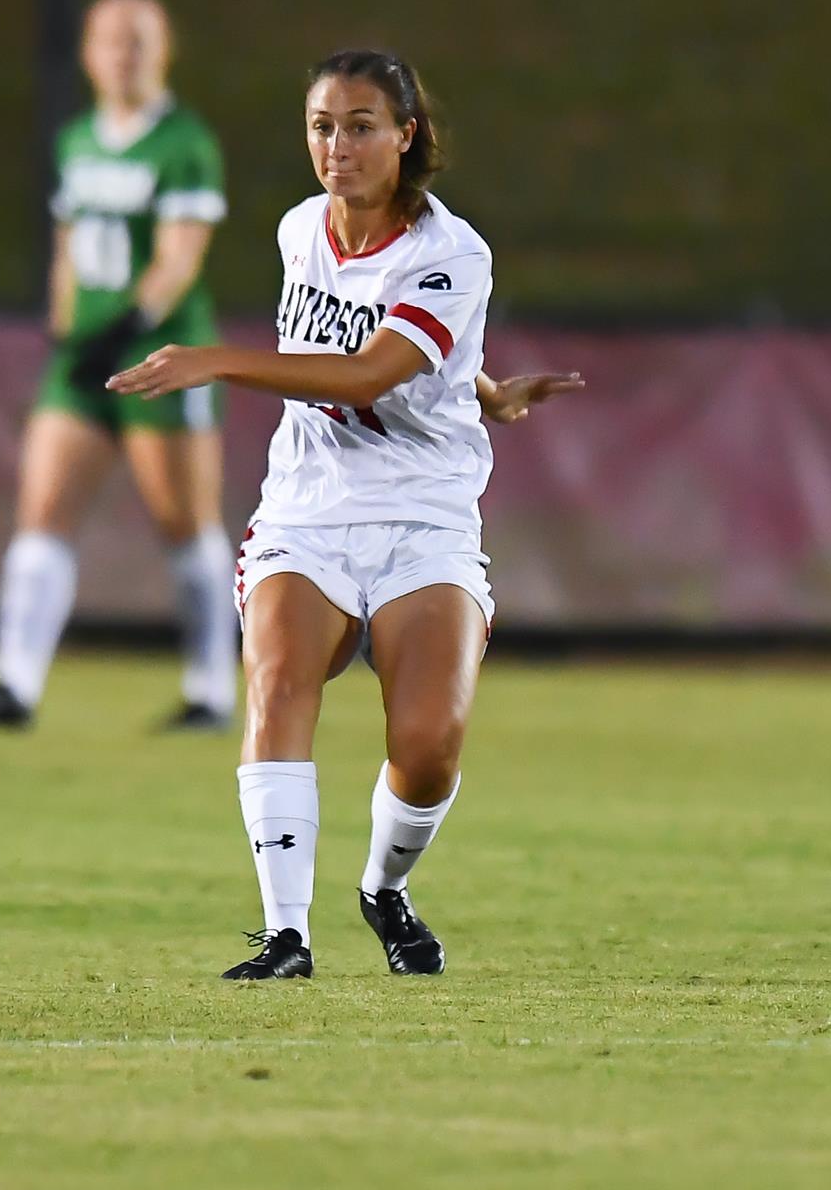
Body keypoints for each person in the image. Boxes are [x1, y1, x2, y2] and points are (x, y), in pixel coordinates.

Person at [107, 49, 584, 977]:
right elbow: (365, 342)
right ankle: (287, 933)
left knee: (427, 744)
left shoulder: (453, 251)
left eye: (361, 125)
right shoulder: (299, 231)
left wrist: (216, 360)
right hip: (307, 511)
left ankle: (382, 888)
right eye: (322, 126)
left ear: (406, 137)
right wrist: (484, 387)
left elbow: (372, 369)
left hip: (425, 517)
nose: (338, 146)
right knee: (279, 681)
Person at [0, 0, 237, 733]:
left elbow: (180, 259)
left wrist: (128, 325)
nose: (123, 56)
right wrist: (66, 324)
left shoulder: (185, 144)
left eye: (138, 41)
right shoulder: (77, 139)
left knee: (183, 520)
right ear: (87, 53)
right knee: (42, 510)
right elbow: (71, 249)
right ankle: (16, 684)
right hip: (86, 354)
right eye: (110, 41)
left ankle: (214, 689)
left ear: (163, 51)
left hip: (158, 354)